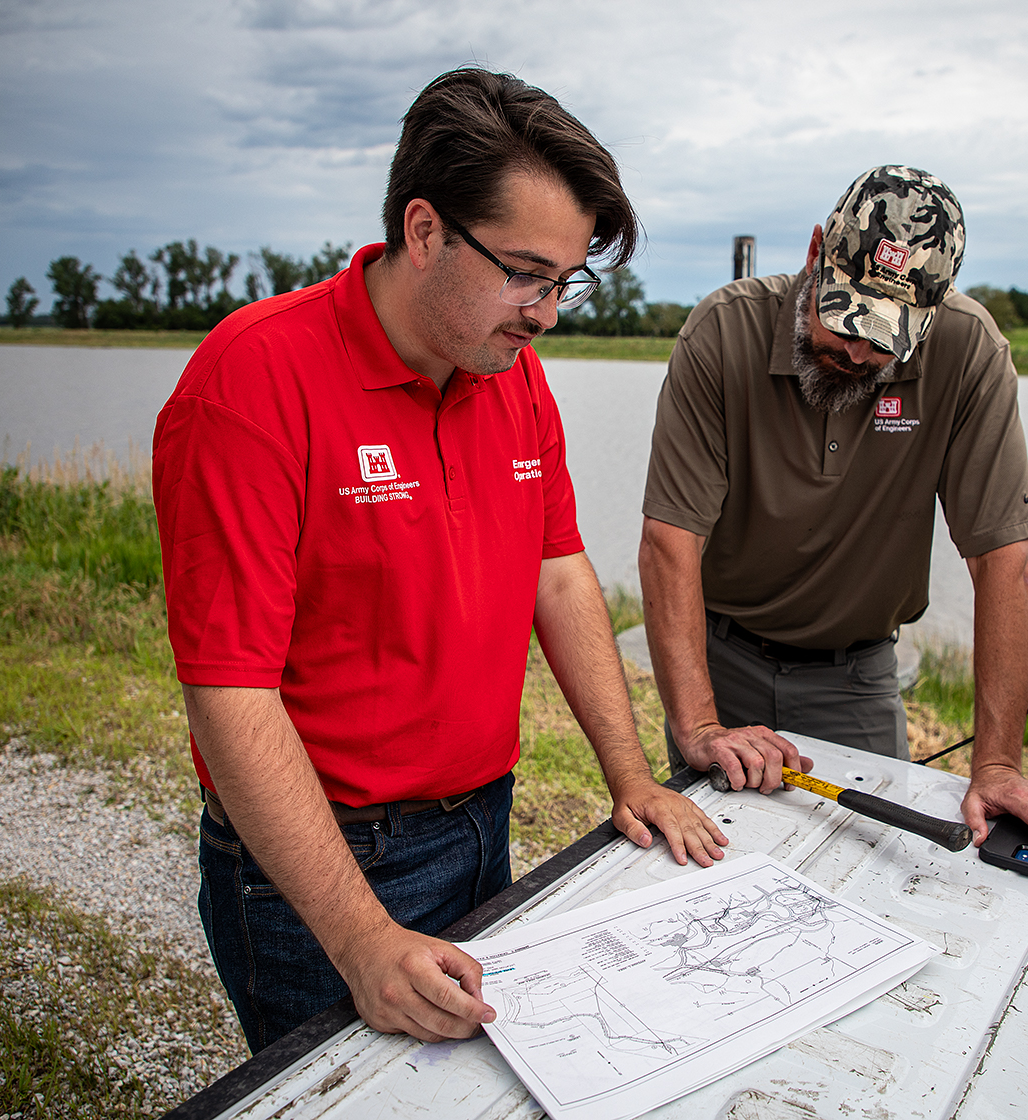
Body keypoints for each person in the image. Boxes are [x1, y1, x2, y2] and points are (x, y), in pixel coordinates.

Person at [152, 67, 727, 1054]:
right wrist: (362, 935)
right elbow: (230, 693)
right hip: (323, 866)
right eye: (527, 273)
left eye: (566, 281)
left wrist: (630, 776)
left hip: (479, 820)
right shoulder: (250, 384)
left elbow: (558, 572)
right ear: (424, 233)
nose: (548, 310)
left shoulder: (513, 374)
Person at [638, 166, 1028, 866]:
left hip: (857, 677)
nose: (856, 351)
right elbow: (670, 542)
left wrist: (996, 767)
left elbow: (1004, 563)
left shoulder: (969, 353)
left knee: (869, 873)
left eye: (886, 337)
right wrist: (697, 723)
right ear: (817, 251)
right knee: (709, 870)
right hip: (721, 662)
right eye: (844, 316)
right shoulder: (723, 333)